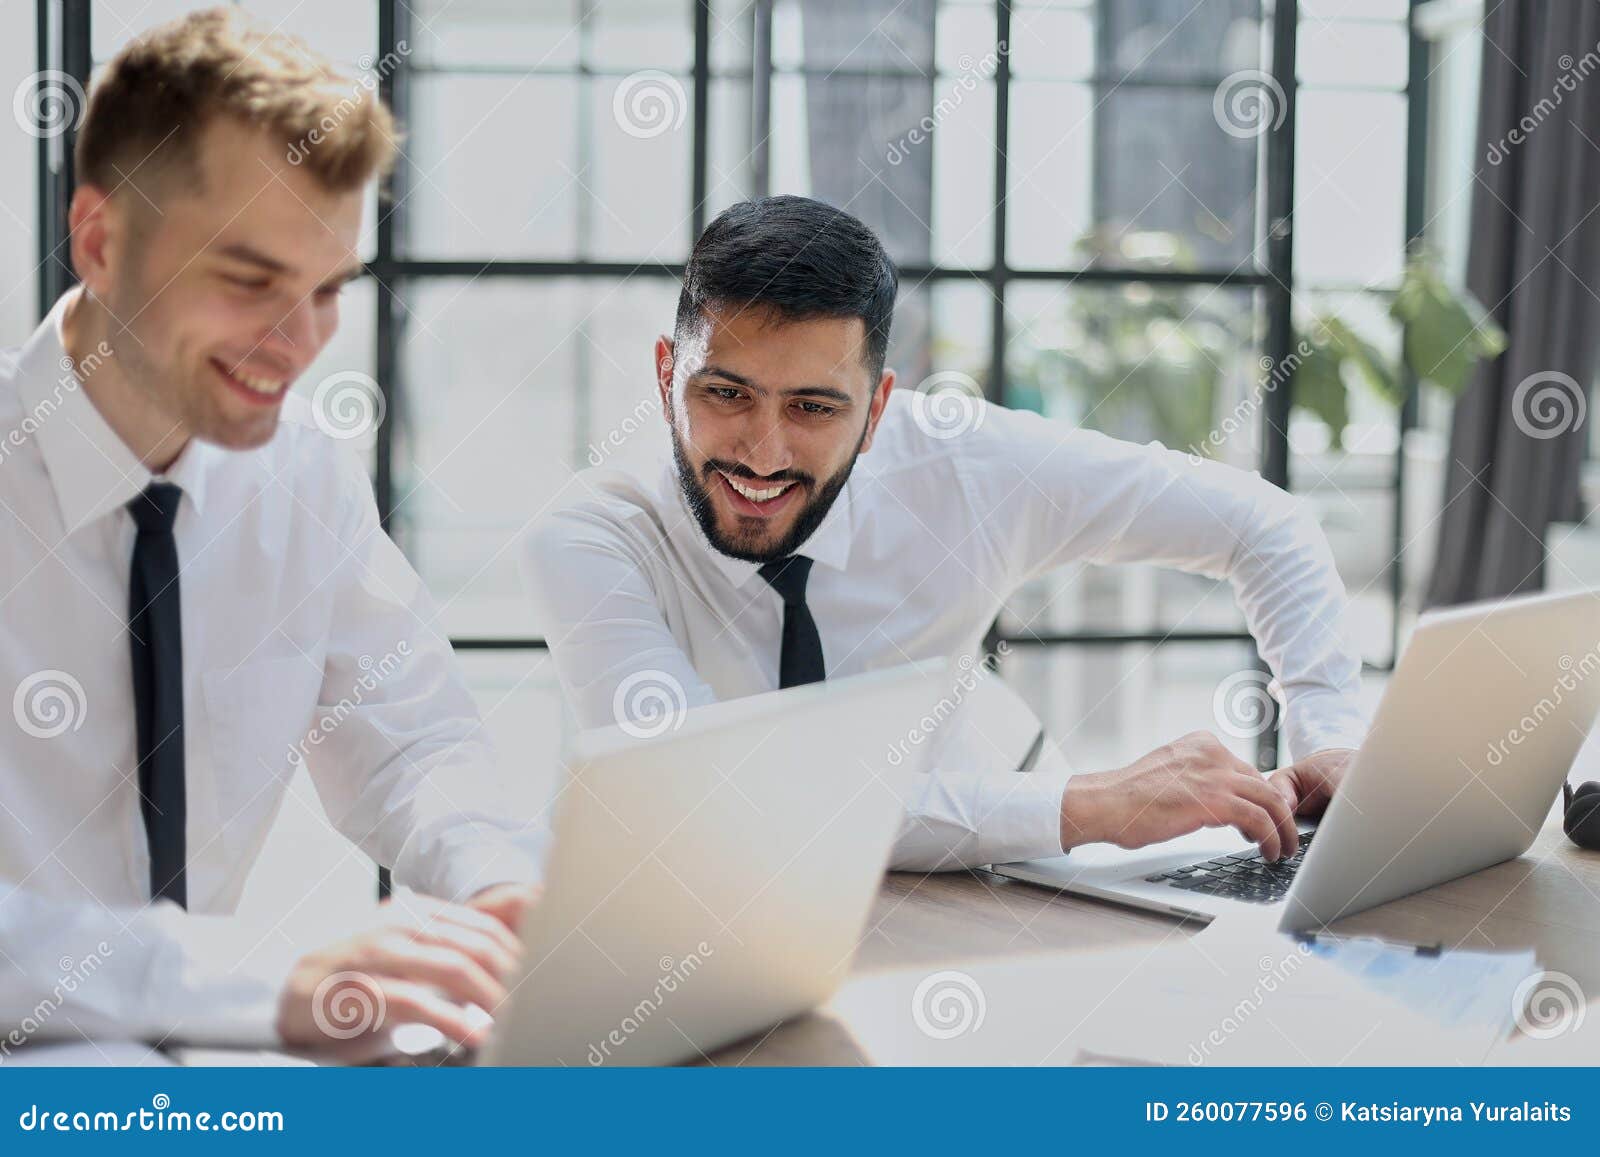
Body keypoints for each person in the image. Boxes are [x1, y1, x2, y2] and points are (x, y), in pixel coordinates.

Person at [524, 195, 1367, 872]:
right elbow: (717, 803)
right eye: (725, 393)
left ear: (879, 407)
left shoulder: (969, 463)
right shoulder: (593, 536)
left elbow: (1265, 524)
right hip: (714, 909)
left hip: (985, 877)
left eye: (814, 407)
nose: (763, 451)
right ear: (668, 371)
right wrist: (1092, 804)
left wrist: (1326, 735)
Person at [0, 8, 540, 1057]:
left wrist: (501, 882)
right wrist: (255, 980)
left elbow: (413, 742)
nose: (299, 344)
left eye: (329, 289)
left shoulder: (302, 481)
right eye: (249, 281)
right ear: (101, 241)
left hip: (164, 1074)